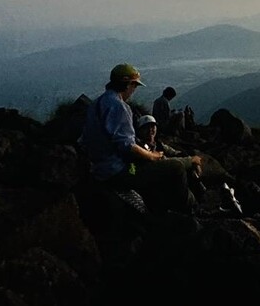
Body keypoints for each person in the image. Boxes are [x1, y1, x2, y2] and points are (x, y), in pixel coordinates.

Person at [79, 63, 202, 214]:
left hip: (103, 169)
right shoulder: (119, 107)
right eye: (134, 85)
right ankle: (190, 211)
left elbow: (84, 141)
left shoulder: (96, 104)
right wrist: (152, 155)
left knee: (146, 168)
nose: (133, 90)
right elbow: (127, 146)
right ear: (127, 84)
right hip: (120, 172)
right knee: (175, 168)